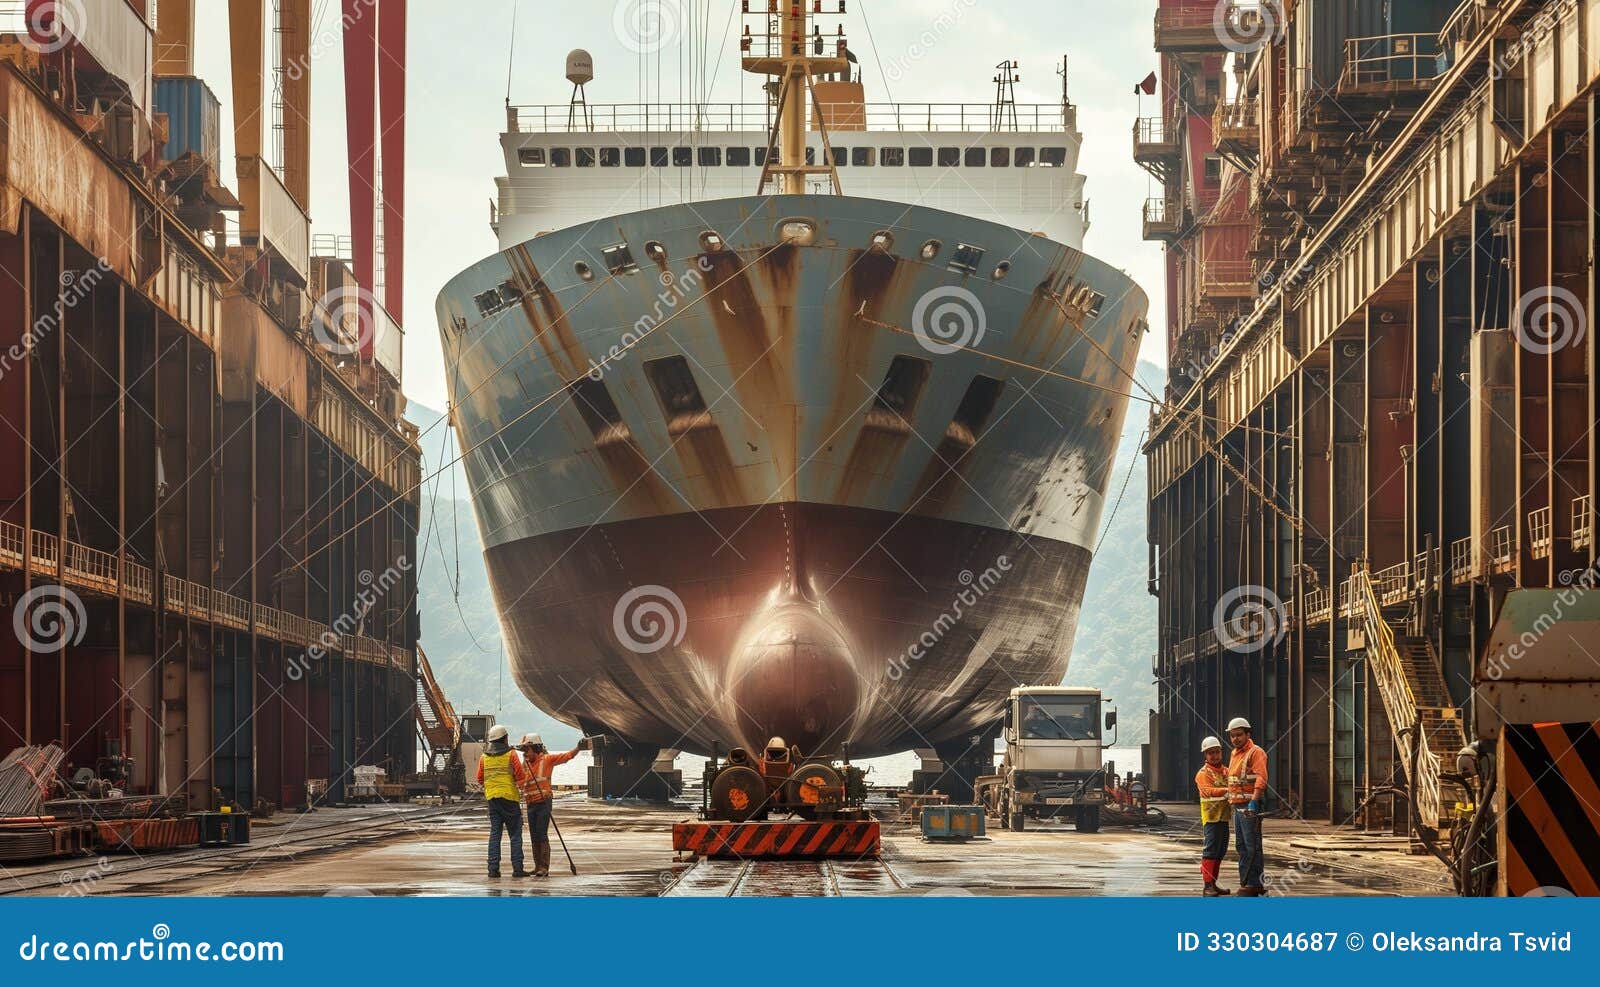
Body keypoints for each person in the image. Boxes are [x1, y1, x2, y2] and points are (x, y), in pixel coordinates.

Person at [517, 732, 587, 877]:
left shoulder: (547, 760)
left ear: (535, 748)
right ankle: (537, 866)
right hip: (530, 804)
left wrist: (578, 748)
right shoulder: (525, 764)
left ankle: (544, 867)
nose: (525, 754)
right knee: (534, 835)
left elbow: (566, 757)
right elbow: (521, 781)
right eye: (523, 750)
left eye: (527, 750)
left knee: (541, 833)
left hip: (544, 802)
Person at [476, 724, 531, 878]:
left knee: (495, 833)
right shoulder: (511, 755)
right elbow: (520, 778)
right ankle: (518, 868)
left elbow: (480, 779)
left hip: (492, 799)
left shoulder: (484, 757)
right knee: (515, 834)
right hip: (510, 799)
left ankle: (493, 869)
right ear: (505, 738)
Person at [1226, 716, 1269, 896]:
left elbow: (1261, 777)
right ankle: (1246, 881)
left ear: (1247, 734)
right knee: (1241, 846)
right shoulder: (1234, 754)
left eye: (1239, 735)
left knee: (1252, 845)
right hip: (1237, 805)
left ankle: (1254, 883)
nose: (1235, 739)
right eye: (1232, 736)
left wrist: (1254, 801)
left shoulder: (1255, 752)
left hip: (1249, 805)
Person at [1194, 735, 1232, 896]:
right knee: (1210, 851)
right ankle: (1207, 885)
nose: (1214, 756)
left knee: (1220, 851)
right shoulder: (1203, 773)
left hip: (1223, 817)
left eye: (1217, 752)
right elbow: (1207, 791)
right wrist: (1228, 791)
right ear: (1205, 755)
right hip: (1211, 818)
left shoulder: (1226, 771)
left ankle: (1213, 884)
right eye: (1211, 753)